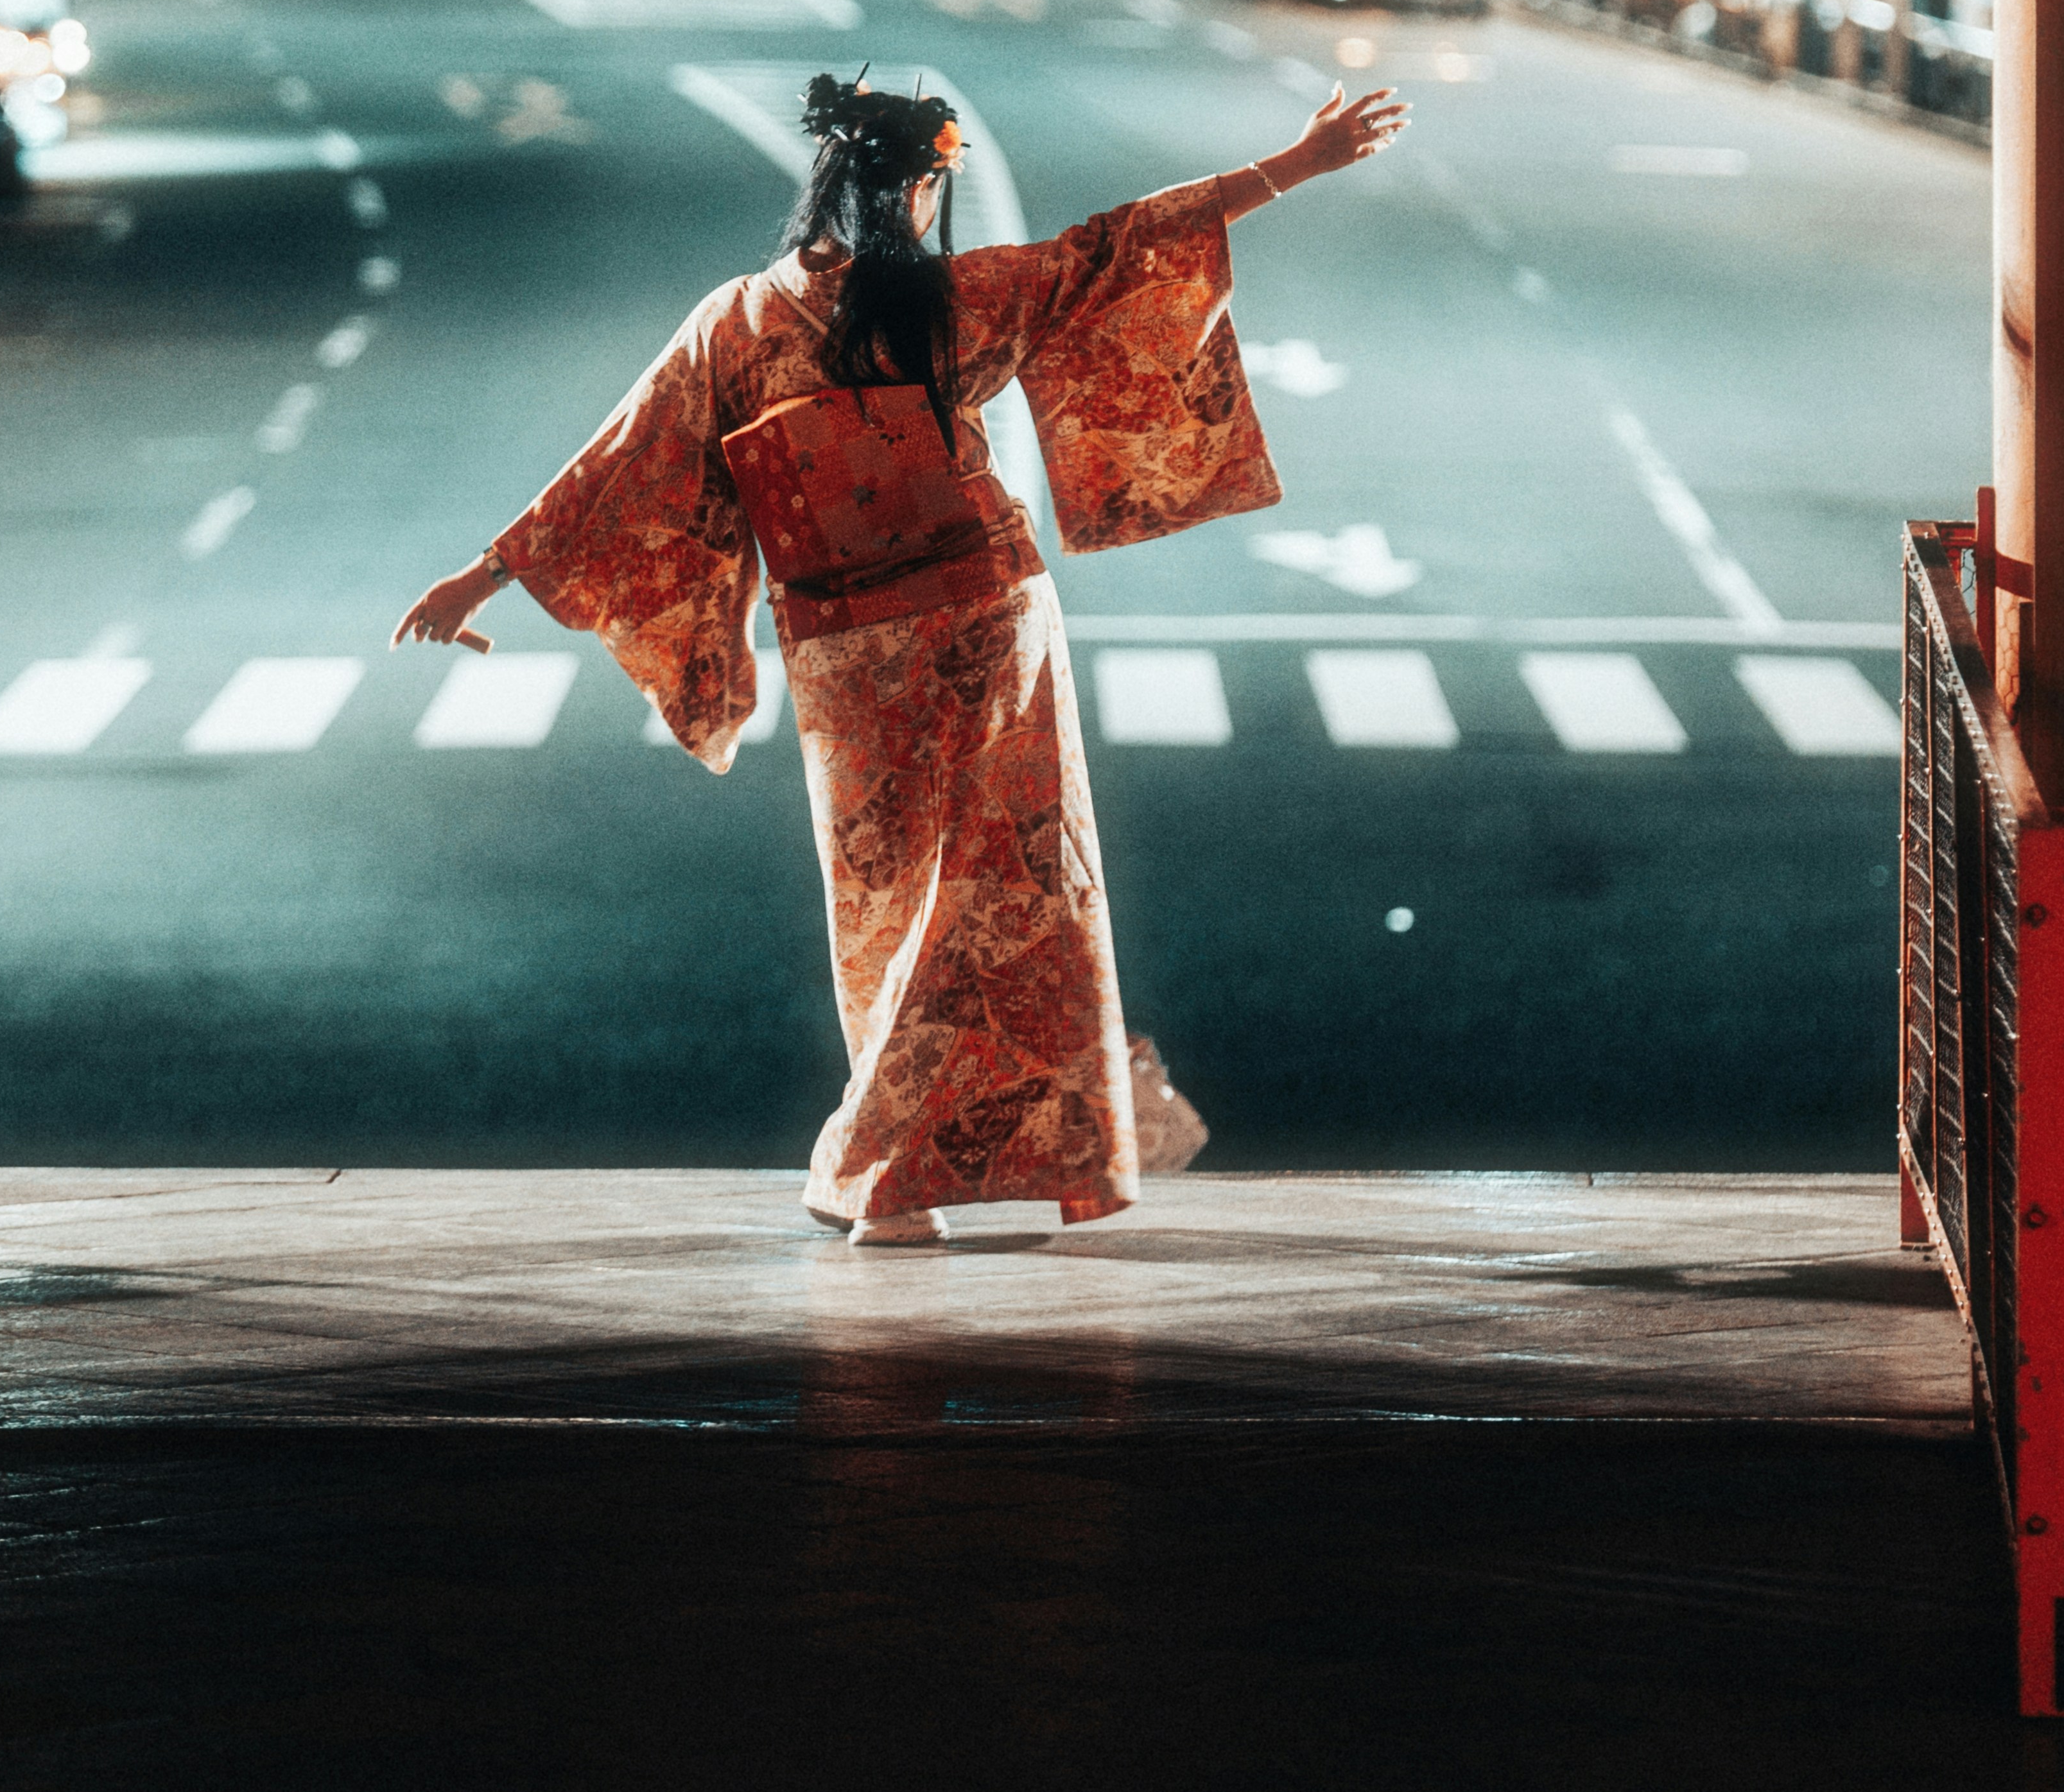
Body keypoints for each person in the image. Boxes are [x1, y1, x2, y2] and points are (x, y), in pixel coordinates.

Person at [394, 71, 1405, 1243]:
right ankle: (915, 1163)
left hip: (842, 647)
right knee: (1009, 894)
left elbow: (618, 463)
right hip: (985, 621)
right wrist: (1296, 161)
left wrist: (481, 573)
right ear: (921, 188)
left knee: (884, 907)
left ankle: (894, 1171)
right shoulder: (945, 301)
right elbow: (1114, 248)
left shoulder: (735, 321)